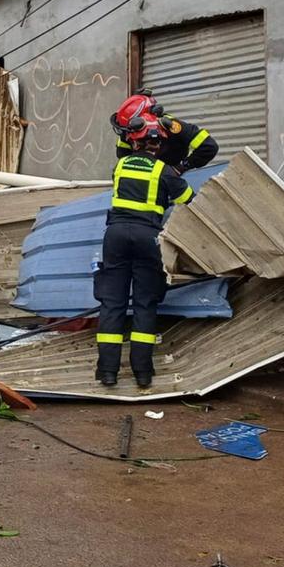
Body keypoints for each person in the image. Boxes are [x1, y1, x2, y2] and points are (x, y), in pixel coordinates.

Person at [94, 114, 195, 389]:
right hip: (147, 238)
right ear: (158, 145)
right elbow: (188, 199)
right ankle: (142, 374)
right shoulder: (163, 171)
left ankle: (107, 373)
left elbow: (122, 149)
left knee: (112, 303)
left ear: (134, 141)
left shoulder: (121, 166)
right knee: (144, 304)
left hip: (114, 236)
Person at [110, 89, 219, 171]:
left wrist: (181, 167)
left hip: (172, 180)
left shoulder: (173, 127)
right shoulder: (127, 132)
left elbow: (208, 147)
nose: (126, 136)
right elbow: (122, 159)